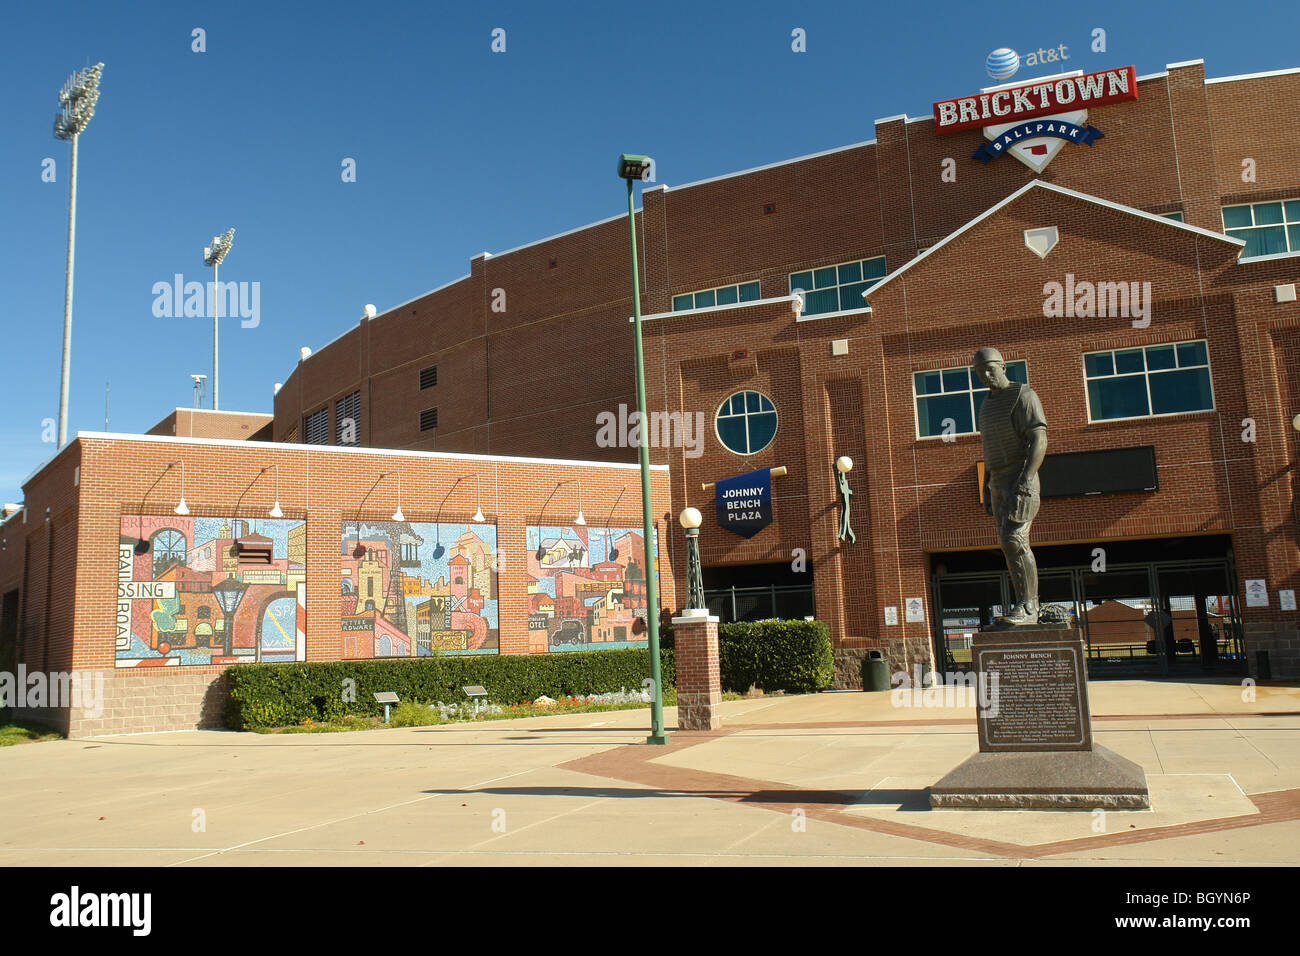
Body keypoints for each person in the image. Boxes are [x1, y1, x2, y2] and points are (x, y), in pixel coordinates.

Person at [974, 347, 1047, 626]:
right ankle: (1024, 604)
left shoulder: (1023, 395)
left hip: (1020, 477)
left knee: (1014, 540)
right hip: (998, 481)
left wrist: (1027, 479)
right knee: (1008, 545)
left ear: (1003, 367)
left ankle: (1029, 606)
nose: (986, 376)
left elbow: (1039, 438)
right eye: (981, 372)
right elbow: (990, 449)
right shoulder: (986, 405)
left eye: (991, 369)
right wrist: (986, 486)